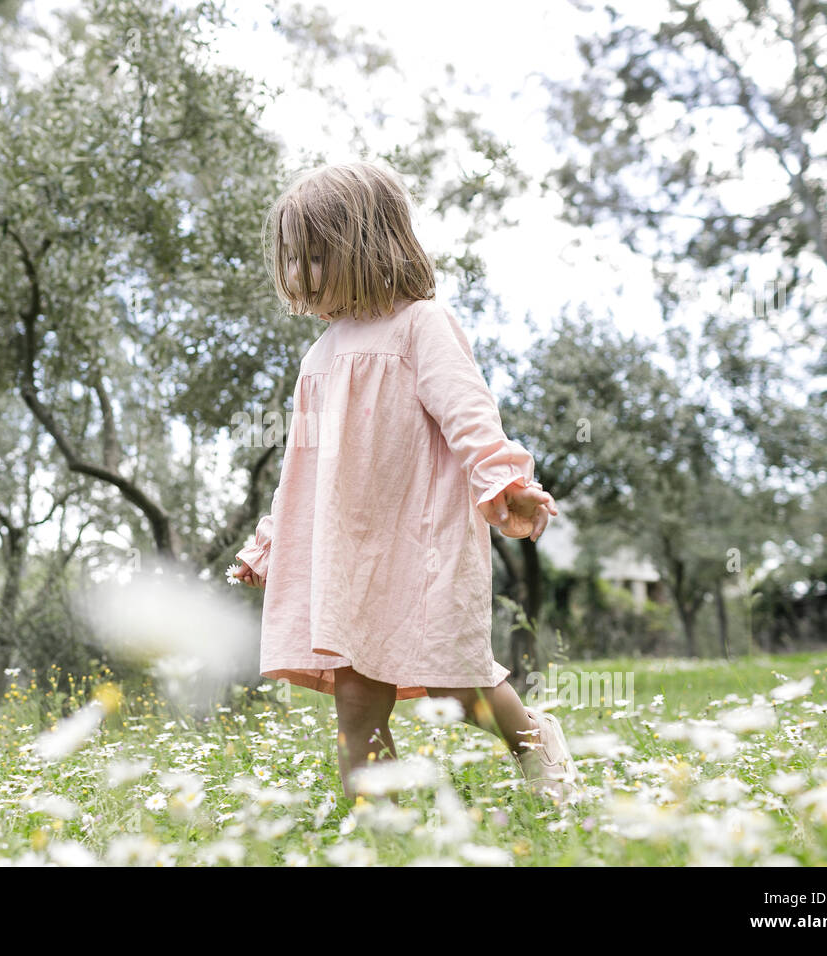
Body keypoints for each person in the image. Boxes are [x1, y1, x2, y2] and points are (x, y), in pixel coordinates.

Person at [229, 159, 581, 808]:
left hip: (424, 542)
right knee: (356, 700)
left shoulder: (422, 325)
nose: (299, 275)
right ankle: (379, 827)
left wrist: (506, 482)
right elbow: (302, 467)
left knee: (458, 683)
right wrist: (275, 542)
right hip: (348, 552)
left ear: (366, 249)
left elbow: (470, 415)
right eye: (292, 259)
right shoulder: (318, 357)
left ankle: (538, 747)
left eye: (315, 257)